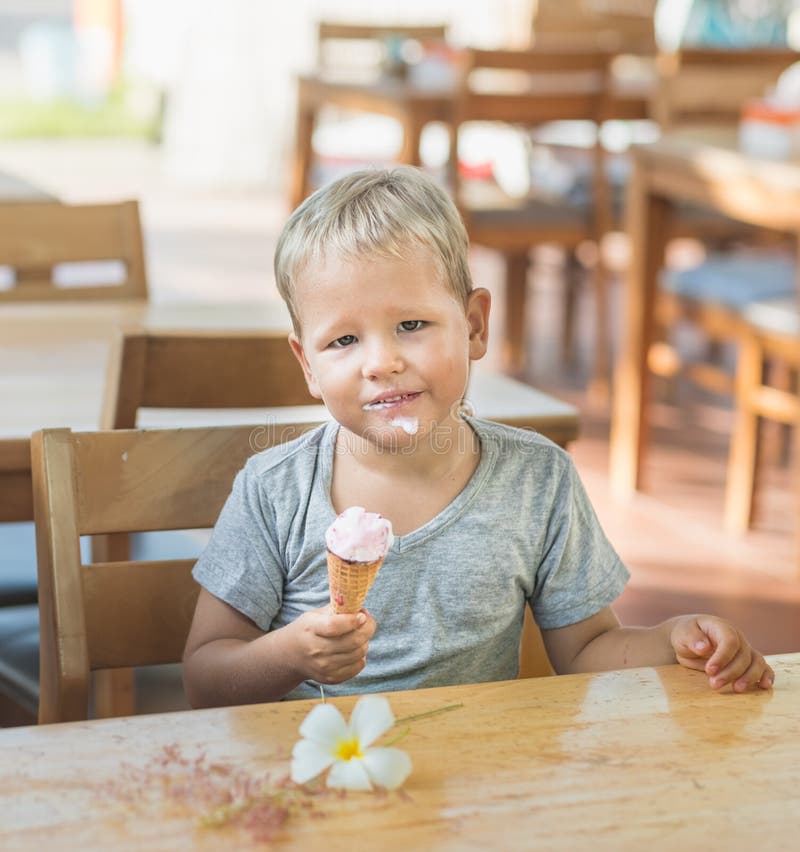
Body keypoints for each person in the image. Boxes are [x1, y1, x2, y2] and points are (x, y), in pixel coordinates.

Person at [182, 167, 774, 706]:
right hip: (317, 782)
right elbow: (206, 679)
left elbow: (588, 651)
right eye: (343, 341)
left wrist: (674, 639)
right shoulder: (274, 490)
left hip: (477, 785)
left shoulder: (537, 480)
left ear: (473, 326)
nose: (381, 362)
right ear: (307, 365)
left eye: (411, 325)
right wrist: (289, 654)